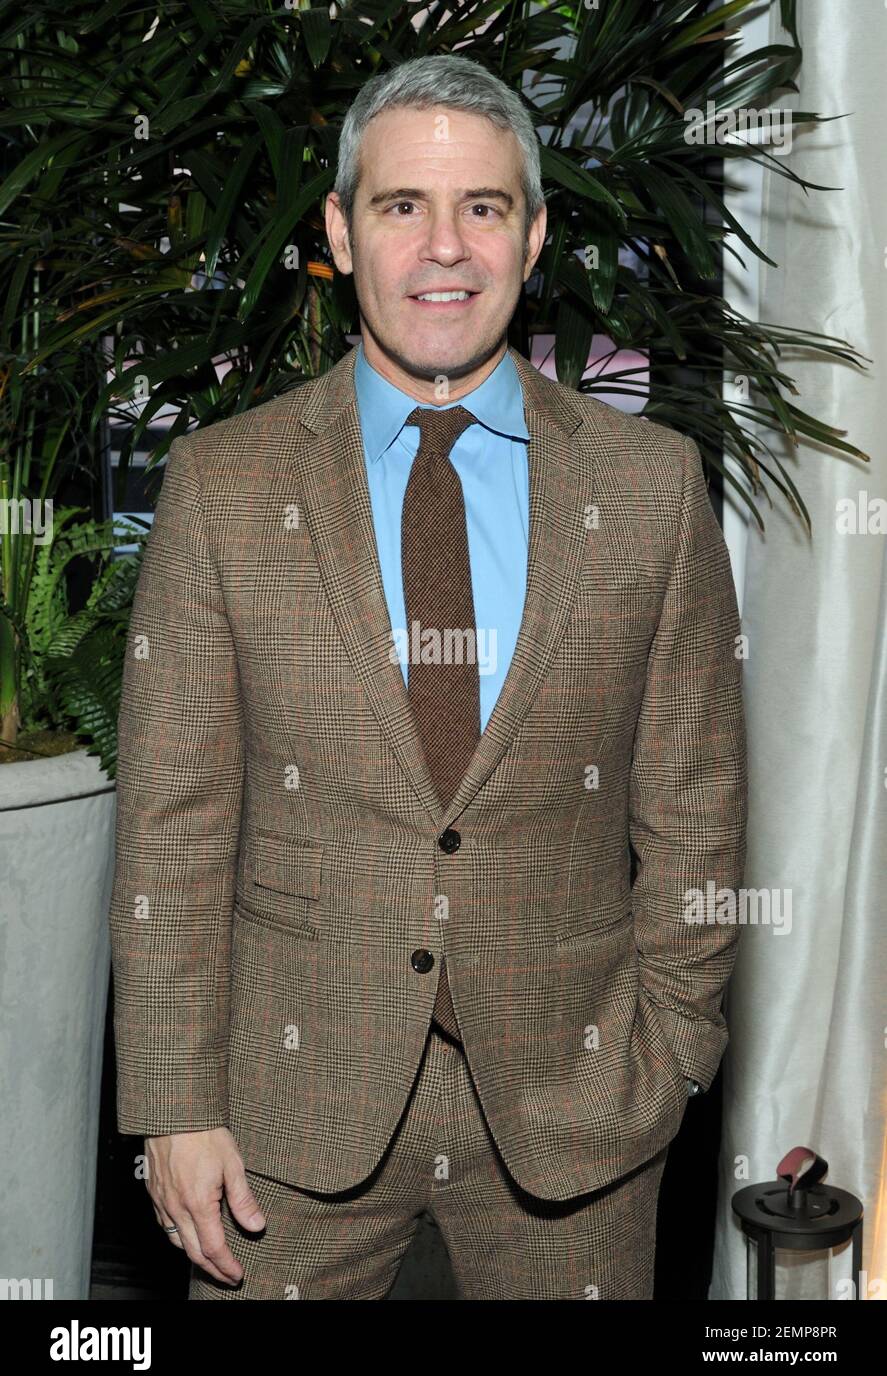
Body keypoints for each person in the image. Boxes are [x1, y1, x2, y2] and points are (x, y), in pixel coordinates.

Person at [109, 53, 747, 1300]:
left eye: (483, 208)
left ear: (534, 234)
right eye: (403, 206)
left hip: (579, 1109)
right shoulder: (223, 489)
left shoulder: (651, 489)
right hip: (285, 1116)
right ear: (341, 232)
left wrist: (669, 1052)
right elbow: (173, 828)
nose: (443, 247)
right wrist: (173, 1105)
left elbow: (696, 809)